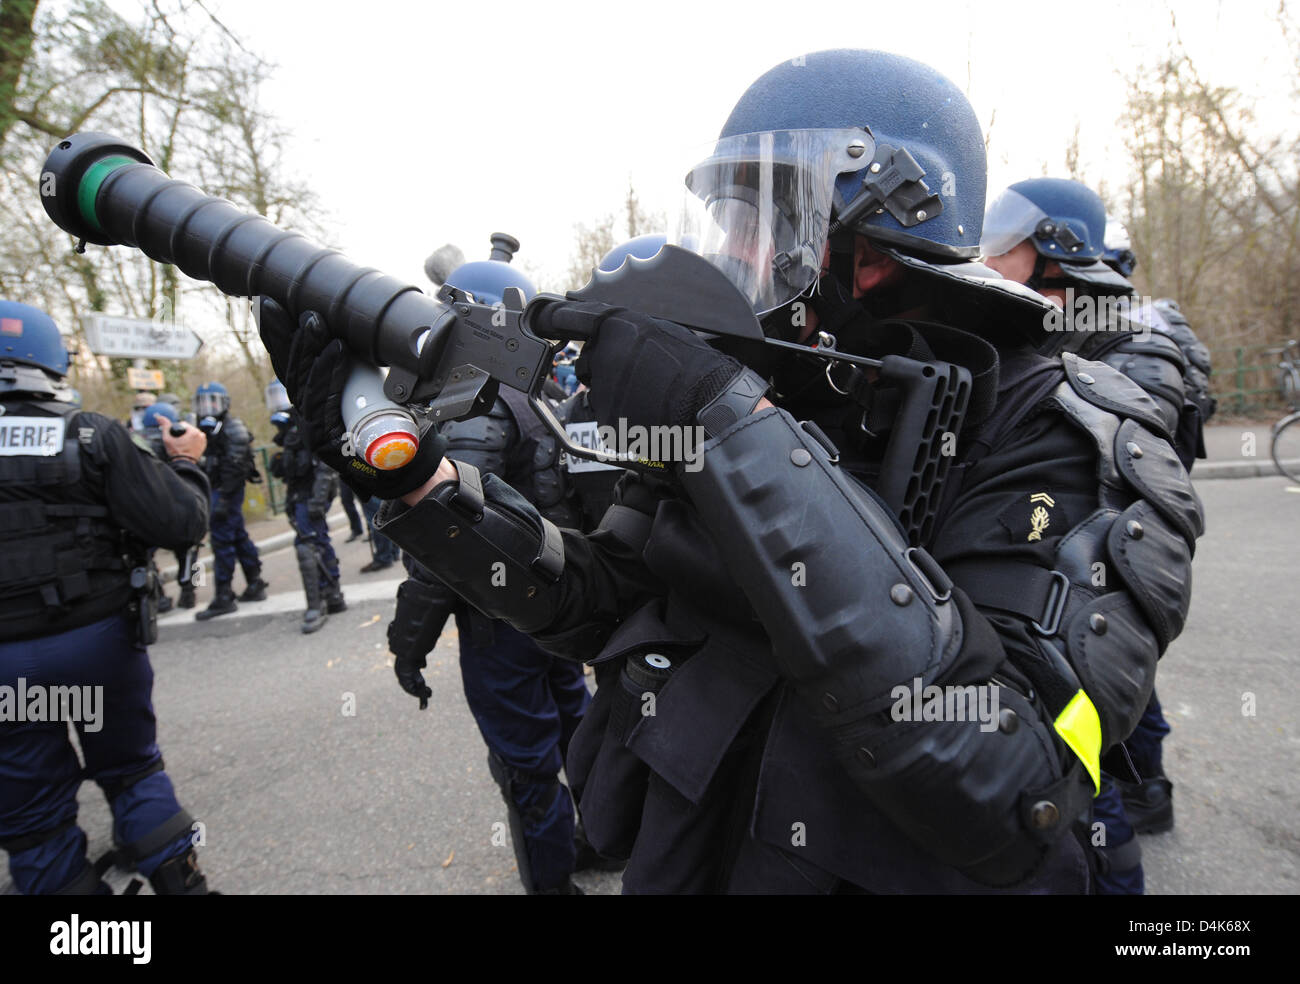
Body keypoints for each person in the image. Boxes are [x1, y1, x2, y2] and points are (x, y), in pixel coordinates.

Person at [263, 49, 1202, 894]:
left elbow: (1007, 783)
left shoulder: (1076, 435)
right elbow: (607, 601)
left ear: (865, 250)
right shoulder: (772, 394)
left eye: (752, 221)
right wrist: (418, 487)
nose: (726, 258)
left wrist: (724, 421)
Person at [981, 178, 1204, 892]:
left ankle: (1132, 832)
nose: (992, 256)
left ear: (1056, 250)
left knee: (1084, 761)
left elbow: (1113, 468)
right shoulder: (1043, 325)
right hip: (1052, 578)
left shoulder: (1133, 347)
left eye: (1007, 243)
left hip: (1098, 580)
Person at [384, 236, 620, 894]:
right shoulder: (528, 393)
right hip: (554, 600)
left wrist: (410, 642)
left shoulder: (472, 404)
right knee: (573, 725)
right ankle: (599, 838)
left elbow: (446, 538)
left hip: (500, 618)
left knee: (525, 764)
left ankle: (554, 882)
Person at [0, 299, 214, 894]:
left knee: (34, 821)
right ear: (50, 361)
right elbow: (180, 524)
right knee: (133, 772)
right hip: (94, 641)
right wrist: (187, 465)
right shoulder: (92, 434)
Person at [266, 380, 346, 633]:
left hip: (311, 496)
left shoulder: (307, 422)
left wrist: (318, 500)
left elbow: (326, 465)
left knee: (307, 546)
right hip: (299, 497)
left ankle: (318, 603)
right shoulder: (288, 431)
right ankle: (333, 596)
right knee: (318, 543)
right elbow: (289, 470)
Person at [192, 380, 267, 618]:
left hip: (226, 492)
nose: (207, 407)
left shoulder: (233, 428)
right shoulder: (204, 431)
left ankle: (224, 595)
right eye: (202, 402)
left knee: (223, 540)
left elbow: (235, 467)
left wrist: (223, 498)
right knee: (236, 536)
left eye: (212, 401)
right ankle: (255, 582)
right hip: (215, 489)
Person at [140, 401, 204, 613]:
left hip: (150, 509)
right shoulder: (178, 443)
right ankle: (191, 592)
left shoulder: (138, 445)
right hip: (178, 504)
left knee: (145, 555)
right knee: (192, 551)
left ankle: (158, 596)